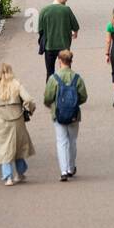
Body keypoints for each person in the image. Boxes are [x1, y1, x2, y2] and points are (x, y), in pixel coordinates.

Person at [43, 49, 88, 181]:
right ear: (71, 61)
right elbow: (84, 96)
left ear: (59, 61)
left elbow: (48, 97)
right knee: (72, 141)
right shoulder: (77, 78)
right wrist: (74, 103)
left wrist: (51, 105)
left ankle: (63, 170)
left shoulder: (53, 78)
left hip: (58, 114)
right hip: (74, 114)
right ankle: (71, 167)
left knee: (61, 141)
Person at [0, 63, 37, 186]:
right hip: (17, 119)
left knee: (4, 148)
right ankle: (20, 173)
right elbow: (29, 99)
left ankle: (8, 177)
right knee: (17, 146)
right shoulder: (16, 84)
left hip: (1, 120)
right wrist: (29, 109)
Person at [36, 0, 80, 79]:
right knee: (66, 72)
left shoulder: (44, 10)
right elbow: (75, 26)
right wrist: (75, 33)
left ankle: (50, 91)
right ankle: (66, 90)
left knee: (50, 72)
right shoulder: (66, 10)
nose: (67, 0)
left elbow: (40, 30)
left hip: (49, 46)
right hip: (64, 47)